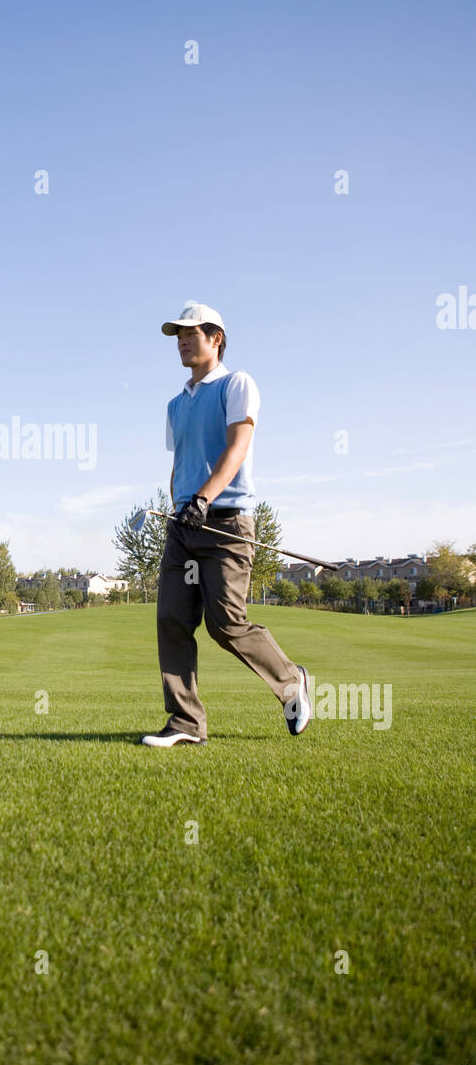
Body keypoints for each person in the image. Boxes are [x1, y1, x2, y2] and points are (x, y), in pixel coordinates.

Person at [141, 301, 312, 748]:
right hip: (184, 526)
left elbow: (236, 448)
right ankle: (184, 723)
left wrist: (203, 497)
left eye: (190, 332)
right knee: (172, 619)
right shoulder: (175, 404)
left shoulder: (237, 384)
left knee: (225, 623)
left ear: (215, 338)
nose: (181, 340)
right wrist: (181, 503)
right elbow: (182, 462)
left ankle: (292, 681)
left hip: (227, 525)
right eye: (177, 334)